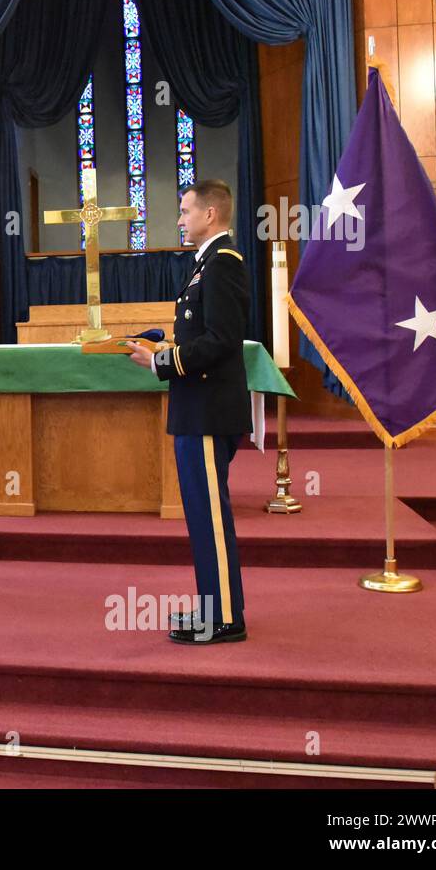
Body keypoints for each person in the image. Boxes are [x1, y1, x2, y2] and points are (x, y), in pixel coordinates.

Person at [128, 179, 251, 645]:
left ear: (210, 214)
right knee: (201, 515)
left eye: (185, 211)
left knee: (210, 516)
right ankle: (214, 606)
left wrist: (161, 362)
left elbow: (221, 341)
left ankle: (224, 618)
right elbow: (202, 337)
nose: (180, 220)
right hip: (197, 408)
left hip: (208, 411)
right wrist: (162, 350)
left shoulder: (223, 264)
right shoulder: (206, 264)